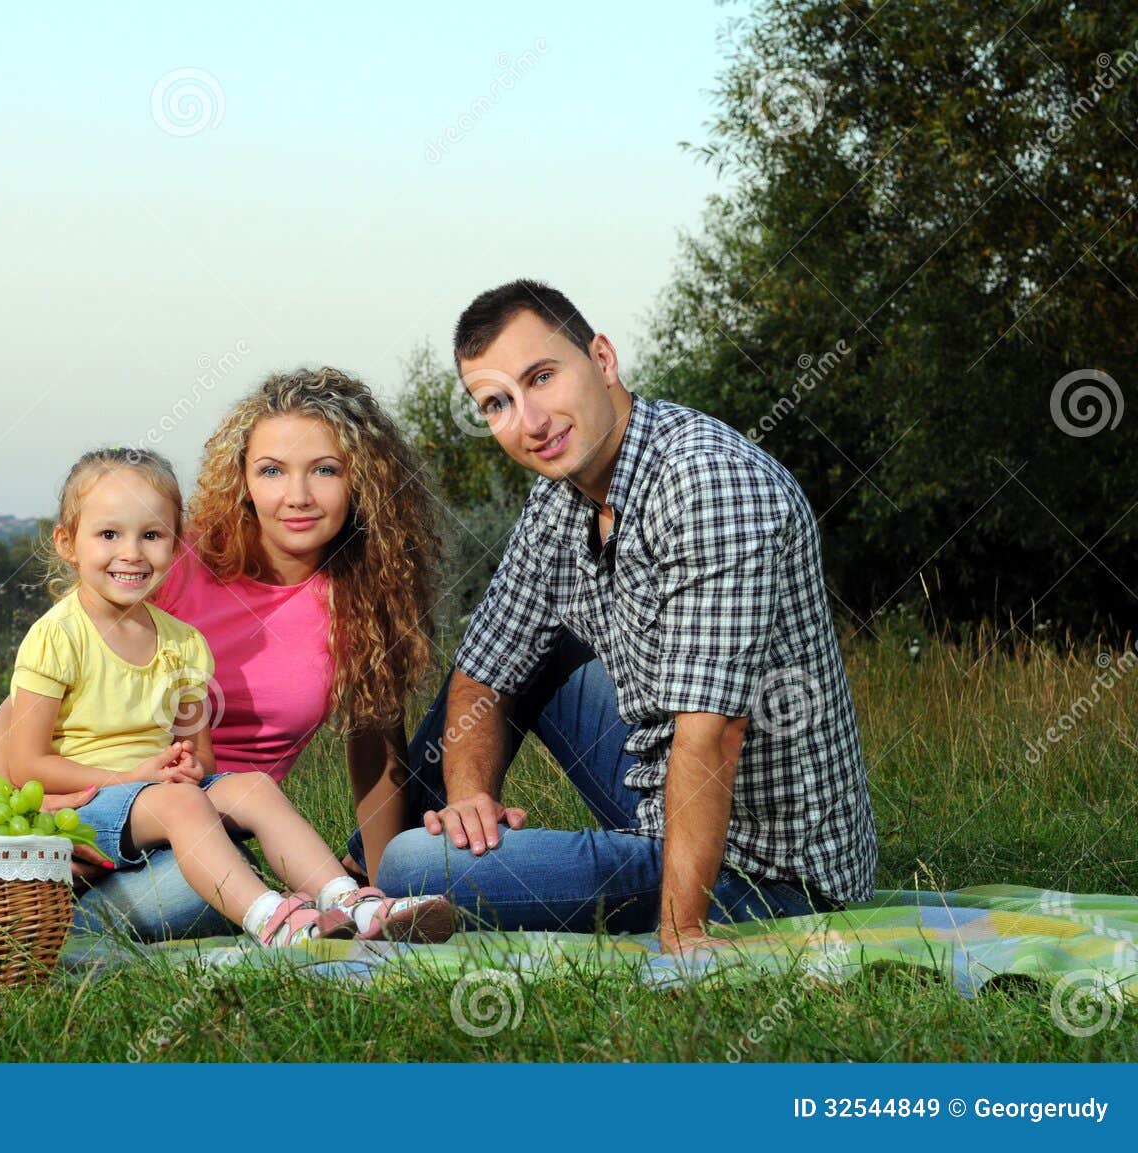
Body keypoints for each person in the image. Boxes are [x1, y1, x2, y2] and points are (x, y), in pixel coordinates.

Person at [373, 279, 878, 951]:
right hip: (658, 785)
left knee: (412, 862)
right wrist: (469, 797)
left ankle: (384, 882)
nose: (531, 421)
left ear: (603, 359)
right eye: (498, 403)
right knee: (523, 655)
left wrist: (681, 930)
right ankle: (363, 880)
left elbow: (714, 734)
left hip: (766, 868)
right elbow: (481, 674)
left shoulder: (708, 483)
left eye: (542, 376)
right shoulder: (560, 497)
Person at [0, 443, 454, 945]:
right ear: (68, 542)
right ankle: (274, 922)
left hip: (159, 797)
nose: (131, 553)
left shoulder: (185, 644)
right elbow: (25, 764)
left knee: (254, 787)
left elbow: (202, 757)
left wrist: (186, 765)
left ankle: (353, 901)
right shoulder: (57, 636)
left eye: (151, 535)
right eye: (109, 534)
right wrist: (131, 777)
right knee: (181, 805)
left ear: (176, 548)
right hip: (88, 807)